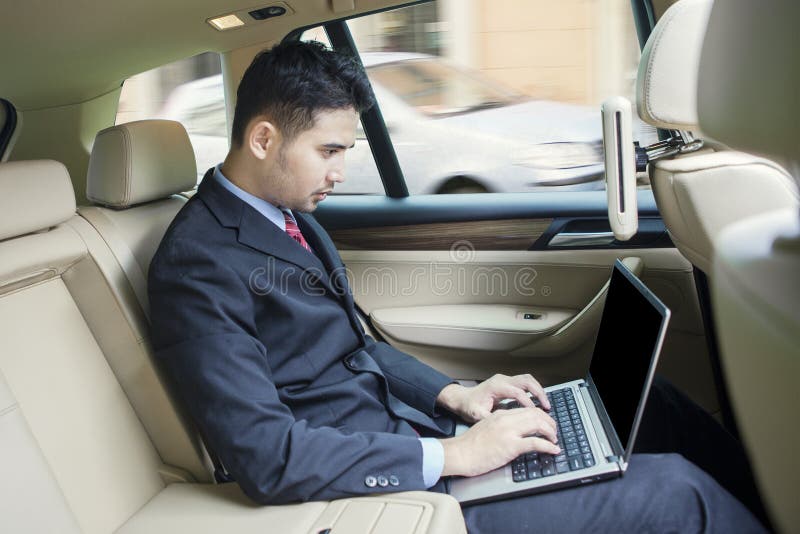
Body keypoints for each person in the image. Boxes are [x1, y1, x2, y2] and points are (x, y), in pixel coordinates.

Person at [149, 40, 766, 533]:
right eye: (329, 150)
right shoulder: (196, 263)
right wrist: (456, 457)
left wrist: (459, 397)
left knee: (656, 406)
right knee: (677, 492)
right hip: (380, 489)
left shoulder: (292, 217)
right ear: (263, 139)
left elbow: (356, 348)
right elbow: (267, 457)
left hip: (414, 435)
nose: (341, 172)